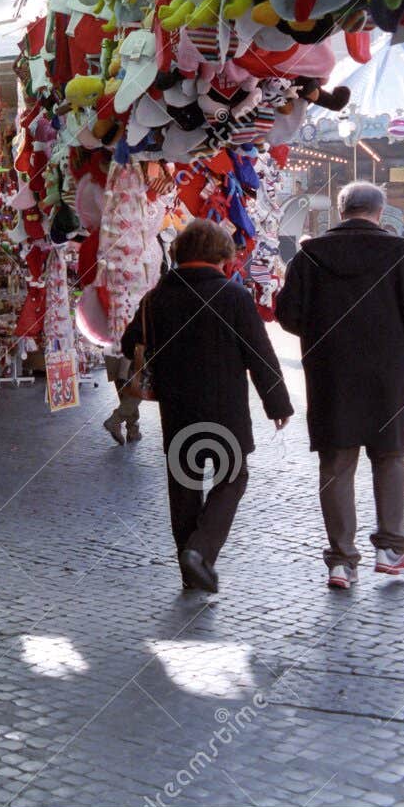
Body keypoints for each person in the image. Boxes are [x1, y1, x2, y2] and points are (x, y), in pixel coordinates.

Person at [277, 182, 404, 590]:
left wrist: (320, 338)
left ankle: (341, 562)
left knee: (336, 465)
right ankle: (390, 550)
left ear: (341, 209)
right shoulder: (401, 253)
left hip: (330, 373)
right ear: (380, 212)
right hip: (389, 374)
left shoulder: (310, 254)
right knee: (390, 457)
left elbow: (287, 314)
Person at [121, 219, 293, 593]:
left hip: (177, 409)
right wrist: (277, 402)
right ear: (222, 256)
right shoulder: (233, 297)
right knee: (232, 478)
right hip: (225, 409)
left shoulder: (156, 298)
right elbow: (259, 355)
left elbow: (128, 343)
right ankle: (200, 552)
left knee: (183, 489)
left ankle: (190, 571)